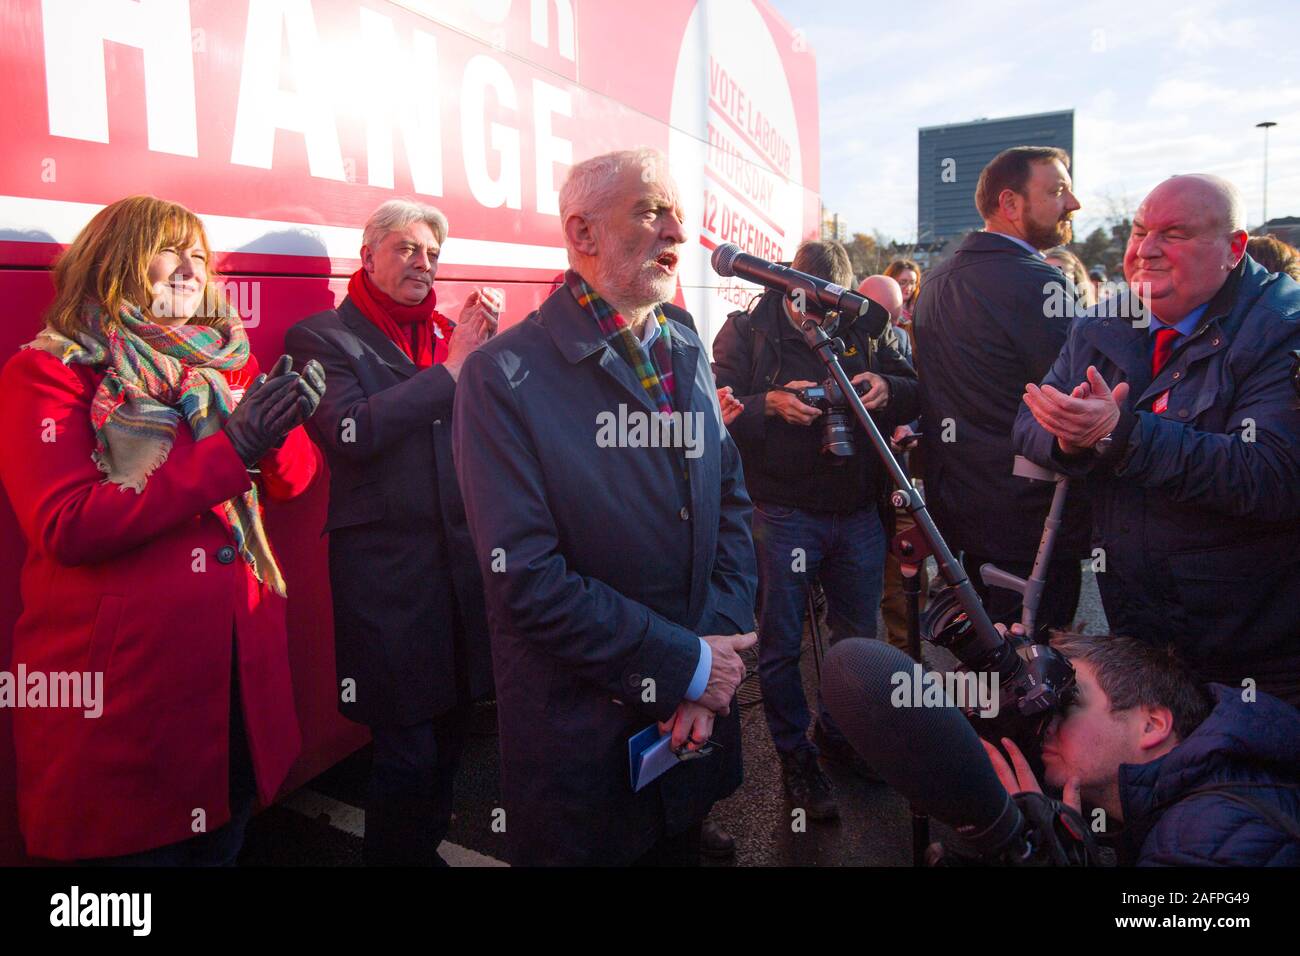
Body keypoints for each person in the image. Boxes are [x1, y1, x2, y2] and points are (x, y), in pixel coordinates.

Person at [452, 148, 758, 866]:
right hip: (584, 755)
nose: (679, 231)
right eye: (653, 211)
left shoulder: (684, 342)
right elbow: (525, 579)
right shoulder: (501, 377)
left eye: (679, 213)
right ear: (583, 234)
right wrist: (685, 664)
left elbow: (731, 504)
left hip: (693, 738)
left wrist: (707, 671)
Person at [0, 195, 323, 863]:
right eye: (168, 252)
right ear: (116, 263)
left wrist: (282, 428)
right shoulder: (50, 370)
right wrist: (231, 448)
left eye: (199, 257)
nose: (188, 270)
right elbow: (67, 524)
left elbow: (292, 484)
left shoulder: (224, 364)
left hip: (231, 698)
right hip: (127, 714)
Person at [1016, 173, 1300, 706]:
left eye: (1174, 234)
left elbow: (1275, 474)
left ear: (1234, 248)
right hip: (1140, 630)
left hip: (1256, 652)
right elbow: (1028, 422)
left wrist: (1121, 435)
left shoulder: (1283, 326)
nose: (1147, 249)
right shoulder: (1102, 321)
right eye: (1140, 230)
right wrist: (1069, 438)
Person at [284, 199, 498, 866]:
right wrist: (454, 371)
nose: (422, 263)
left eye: (431, 253)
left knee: (453, 742)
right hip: (388, 584)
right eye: (406, 248)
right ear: (367, 255)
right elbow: (352, 433)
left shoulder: (447, 333)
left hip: (462, 578)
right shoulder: (320, 337)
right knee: (405, 753)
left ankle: (423, 849)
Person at [713, 241, 919, 818]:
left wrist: (885, 385)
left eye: (831, 308)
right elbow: (715, 404)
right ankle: (792, 752)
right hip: (781, 513)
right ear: (785, 288)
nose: (818, 318)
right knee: (779, 644)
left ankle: (840, 733)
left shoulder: (865, 328)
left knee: (855, 639)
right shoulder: (746, 330)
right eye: (808, 305)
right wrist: (769, 405)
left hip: (856, 513)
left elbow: (913, 388)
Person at [914, 146, 1090, 633]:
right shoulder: (1038, 284)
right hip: (1033, 521)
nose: (1072, 202)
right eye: (1056, 191)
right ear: (1009, 203)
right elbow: (1076, 397)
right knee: (1037, 665)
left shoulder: (934, 282)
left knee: (987, 660)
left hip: (960, 516)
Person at [980, 629, 1300, 866]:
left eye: (1067, 706)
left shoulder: (1200, 842)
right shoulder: (1216, 785)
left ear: (1152, 725)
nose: (1047, 726)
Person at [884, 257, 922, 331]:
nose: (908, 287)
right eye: (902, 282)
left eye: (912, 282)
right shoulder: (883, 307)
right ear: (890, 281)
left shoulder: (920, 307)